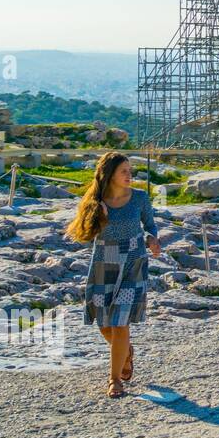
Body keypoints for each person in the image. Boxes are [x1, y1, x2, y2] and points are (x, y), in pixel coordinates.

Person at [67, 152, 162, 399]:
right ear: (110, 174)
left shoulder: (140, 198)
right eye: (124, 171)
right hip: (104, 261)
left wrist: (152, 238)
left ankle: (114, 379)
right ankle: (125, 352)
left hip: (133, 261)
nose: (130, 175)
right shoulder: (96, 201)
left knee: (120, 322)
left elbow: (150, 225)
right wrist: (99, 217)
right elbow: (84, 234)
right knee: (103, 322)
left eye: (130, 170)